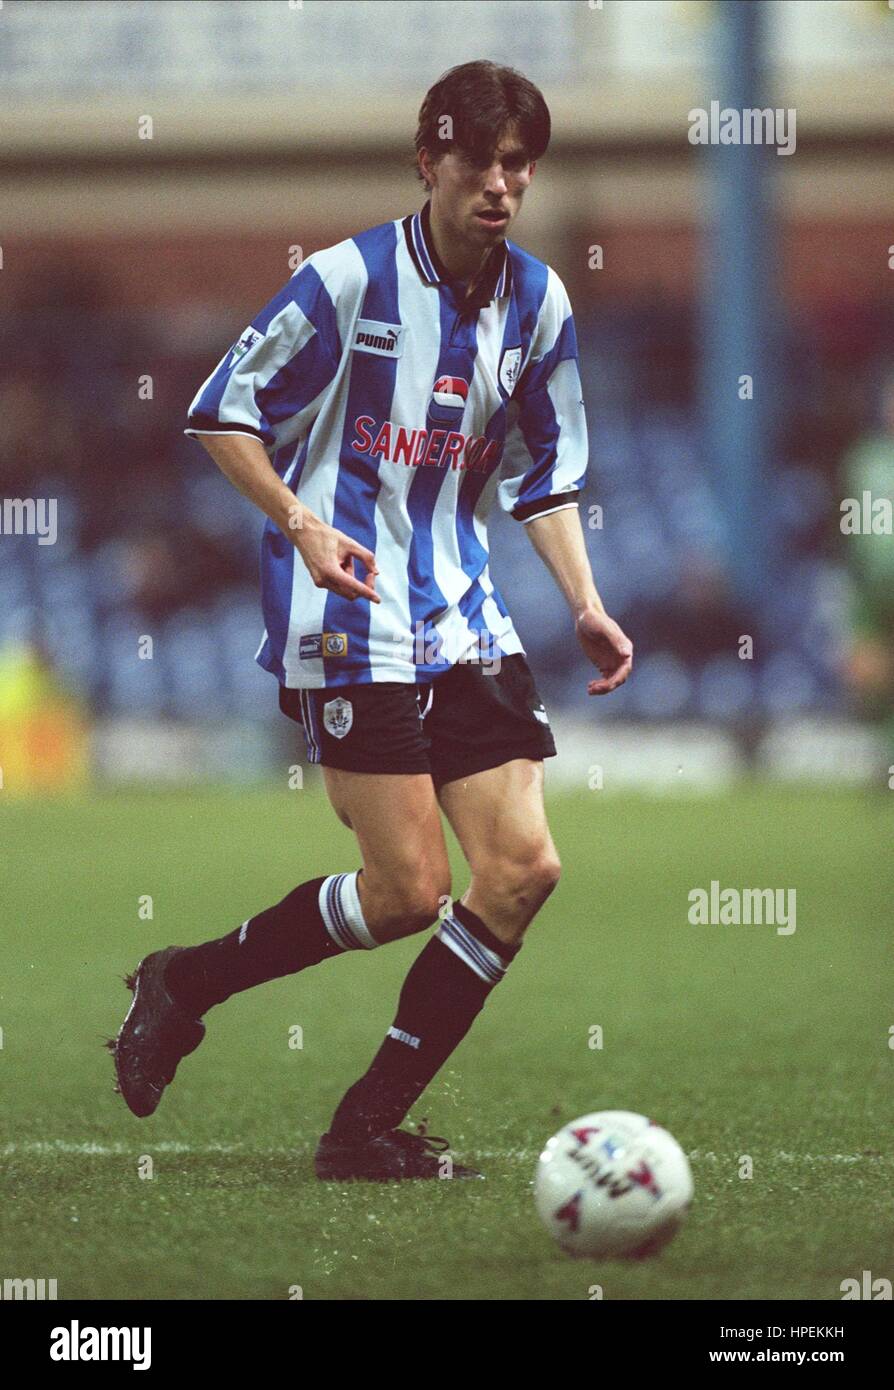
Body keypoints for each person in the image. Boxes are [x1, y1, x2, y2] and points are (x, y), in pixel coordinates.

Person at [111, 61, 633, 1181]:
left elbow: (545, 475)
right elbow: (220, 410)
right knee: (408, 892)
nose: (501, 184)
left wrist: (585, 602)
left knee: (524, 868)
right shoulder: (345, 280)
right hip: (345, 610)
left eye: (518, 164)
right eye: (479, 160)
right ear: (428, 158)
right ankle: (186, 981)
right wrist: (300, 521)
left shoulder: (540, 303)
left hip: (463, 615)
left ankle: (363, 1127)